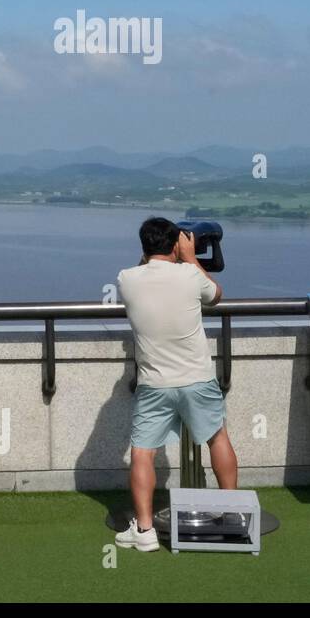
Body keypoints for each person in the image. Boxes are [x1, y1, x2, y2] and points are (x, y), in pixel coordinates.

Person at [114, 217, 233, 553]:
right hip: (197, 378)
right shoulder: (190, 275)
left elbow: (145, 269)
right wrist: (191, 257)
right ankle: (232, 515)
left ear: (143, 246)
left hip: (154, 383)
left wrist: (158, 253)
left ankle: (146, 531)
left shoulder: (127, 279)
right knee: (217, 437)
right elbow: (216, 296)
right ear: (176, 244)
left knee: (142, 452)